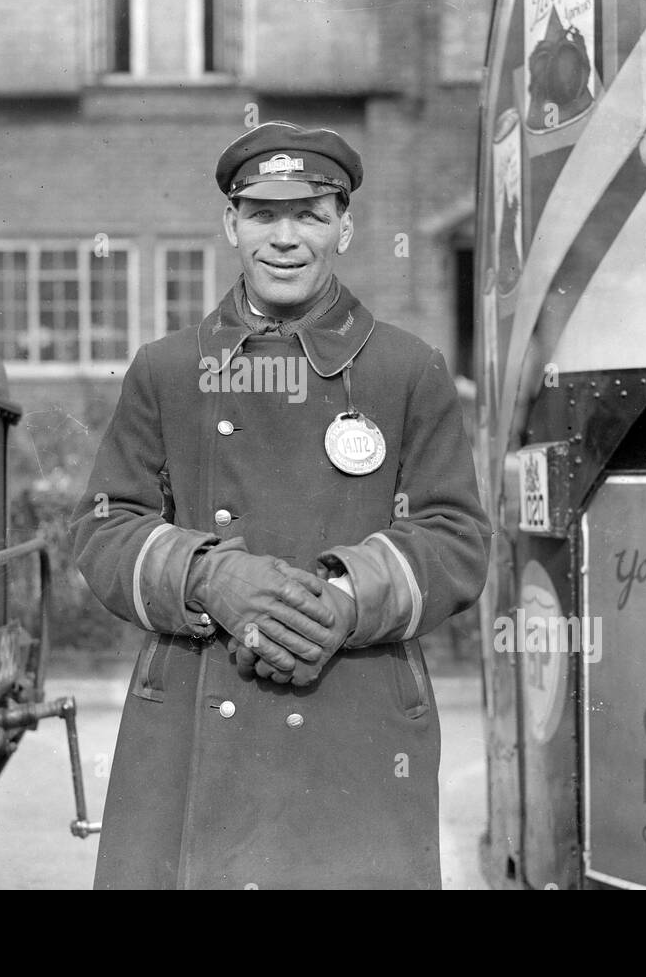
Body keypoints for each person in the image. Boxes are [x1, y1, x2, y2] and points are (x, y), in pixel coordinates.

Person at [71, 121, 491, 889]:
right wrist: (206, 578)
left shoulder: (407, 368)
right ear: (232, 224)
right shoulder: (168, 370)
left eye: (311, 214)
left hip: (352, 705)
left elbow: (457, 535)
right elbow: (103, 526)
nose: (286, 238)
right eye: (263, 214)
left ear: (345, 226)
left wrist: (342, 597)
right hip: (198, 697)